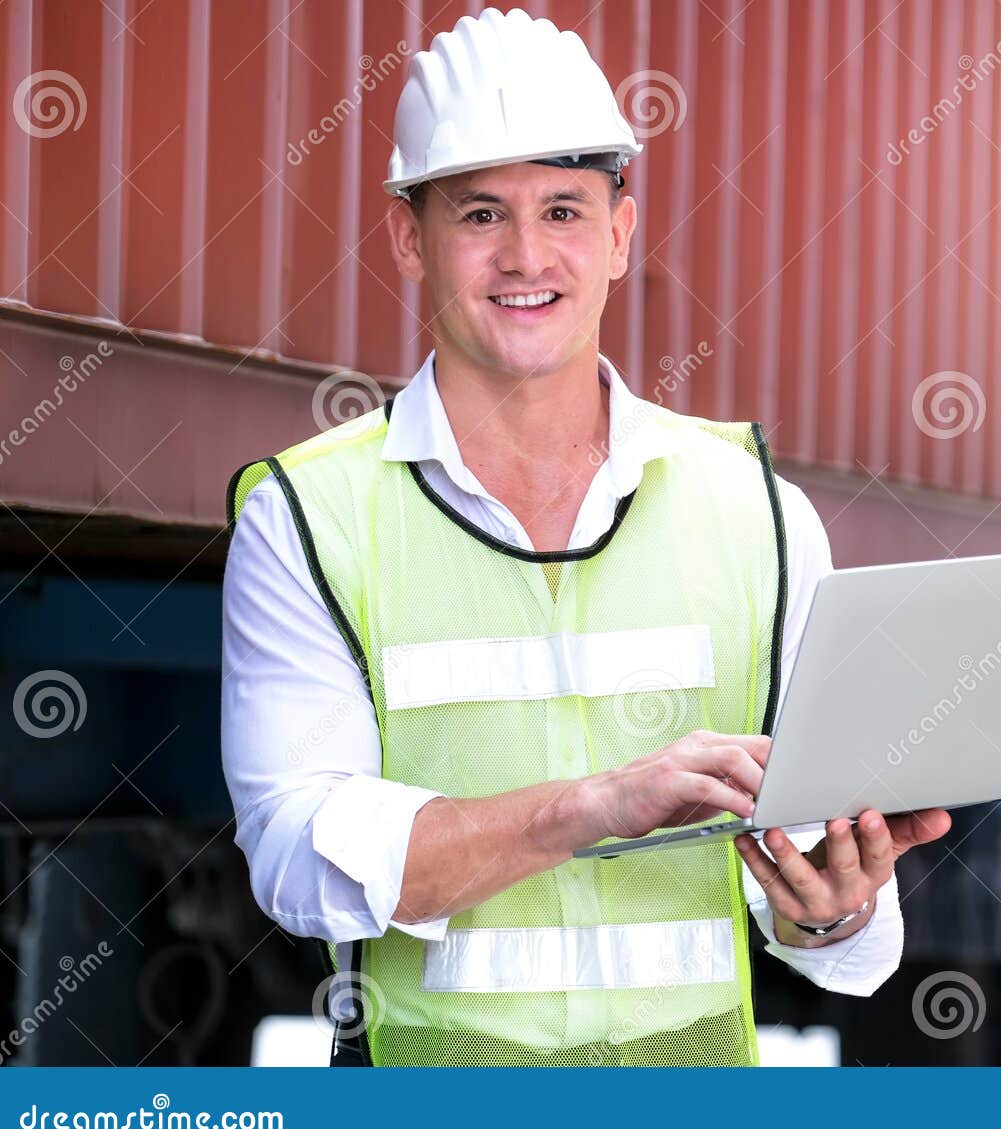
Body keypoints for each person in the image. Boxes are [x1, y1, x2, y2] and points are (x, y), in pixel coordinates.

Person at [219, 8, 950, 1067]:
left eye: (562, 209)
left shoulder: (754, 509)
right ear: (408, 239)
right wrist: (592, 806)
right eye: (481, 213)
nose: (525, 255)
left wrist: (832, 907)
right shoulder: (308, 515)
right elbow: (299, 862)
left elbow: (832, 922)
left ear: (618, 234)